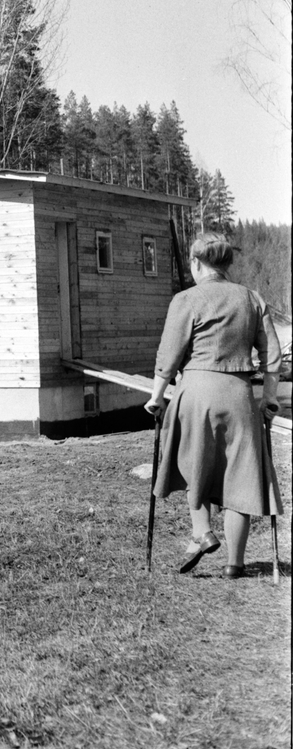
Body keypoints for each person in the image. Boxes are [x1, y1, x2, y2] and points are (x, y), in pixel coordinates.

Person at [144, 232, 283, 577]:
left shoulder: (186, 299)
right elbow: (272, 356)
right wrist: (269, 396)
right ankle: (235, 565)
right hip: (238, 394)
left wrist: (156, 395)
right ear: (225, 264)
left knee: (194, 462)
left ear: (195, 263)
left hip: (196, 392)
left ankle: (202, 531)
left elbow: (170, 354)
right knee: (241, 477)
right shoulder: (251, 298)